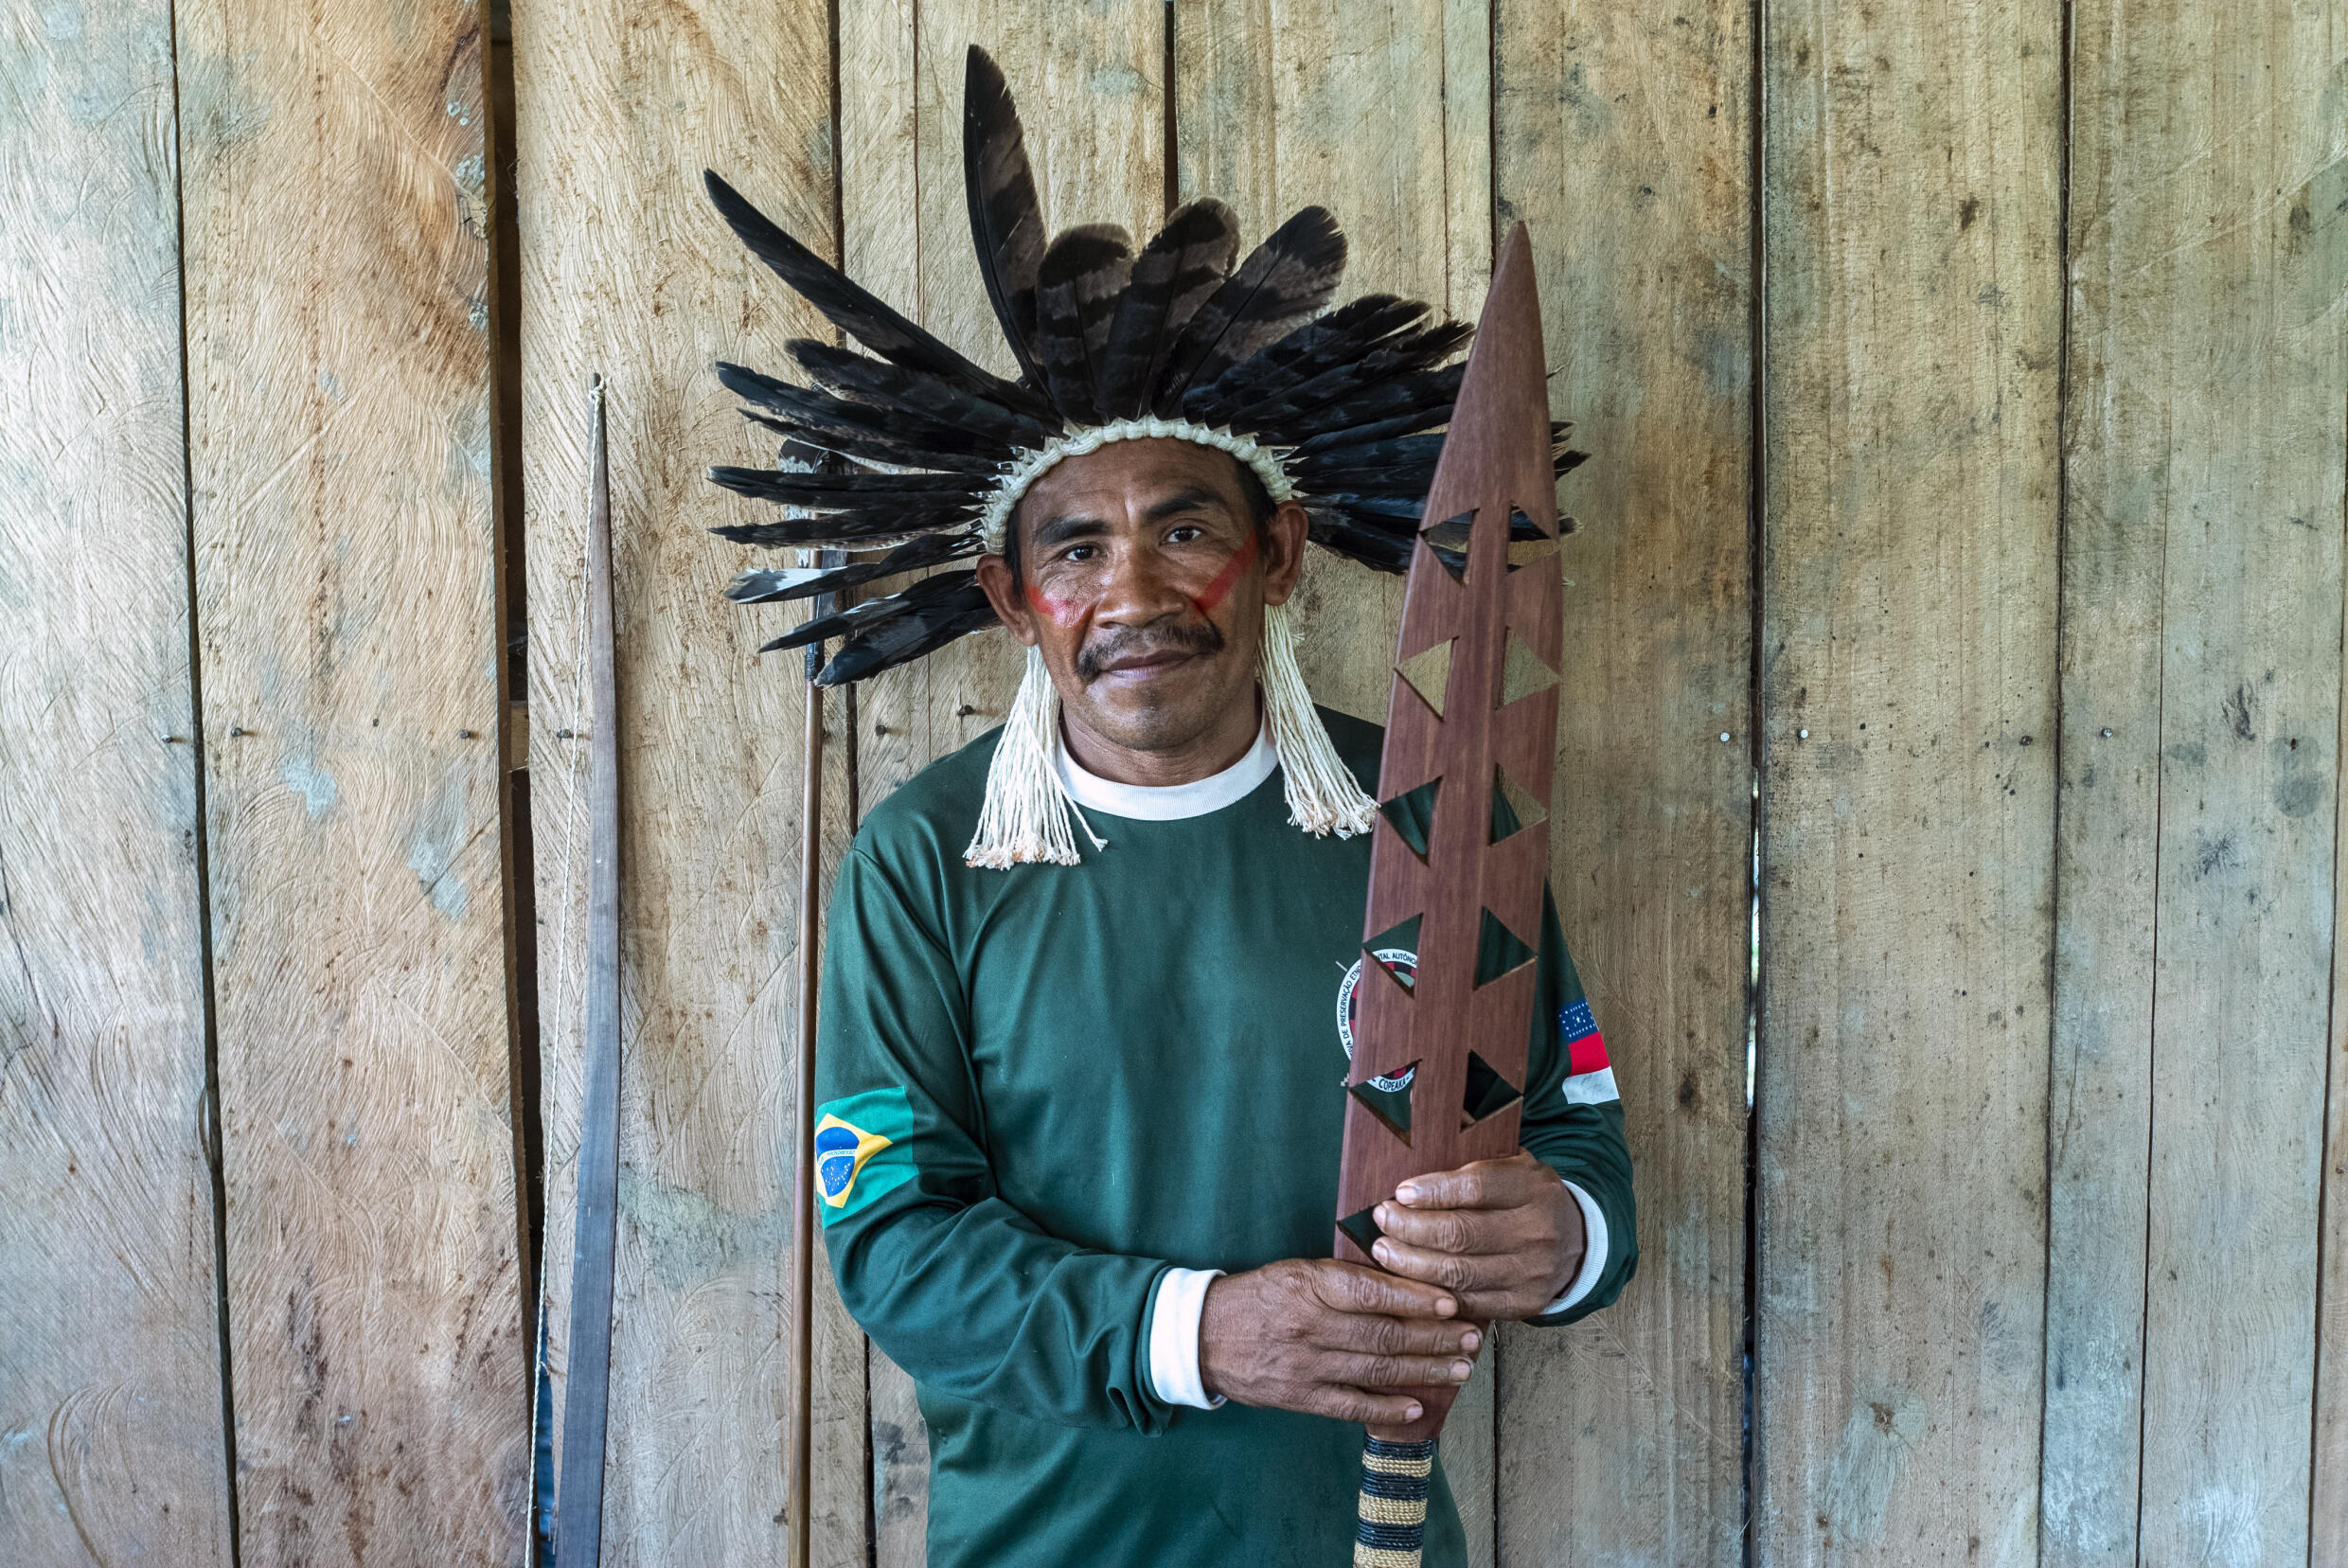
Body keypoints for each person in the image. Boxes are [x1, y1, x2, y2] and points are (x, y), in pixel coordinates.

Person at [703, 47, 1634, 1568]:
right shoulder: (926, 862)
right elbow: (894, 1243)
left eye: (1185, 526)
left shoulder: (1439, 811)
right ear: (1011, 597)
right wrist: (1200, 1332)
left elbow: (1584, 1147)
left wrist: (1564, 1238)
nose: (1129, 591)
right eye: (1073, 549)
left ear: (1281, 554)